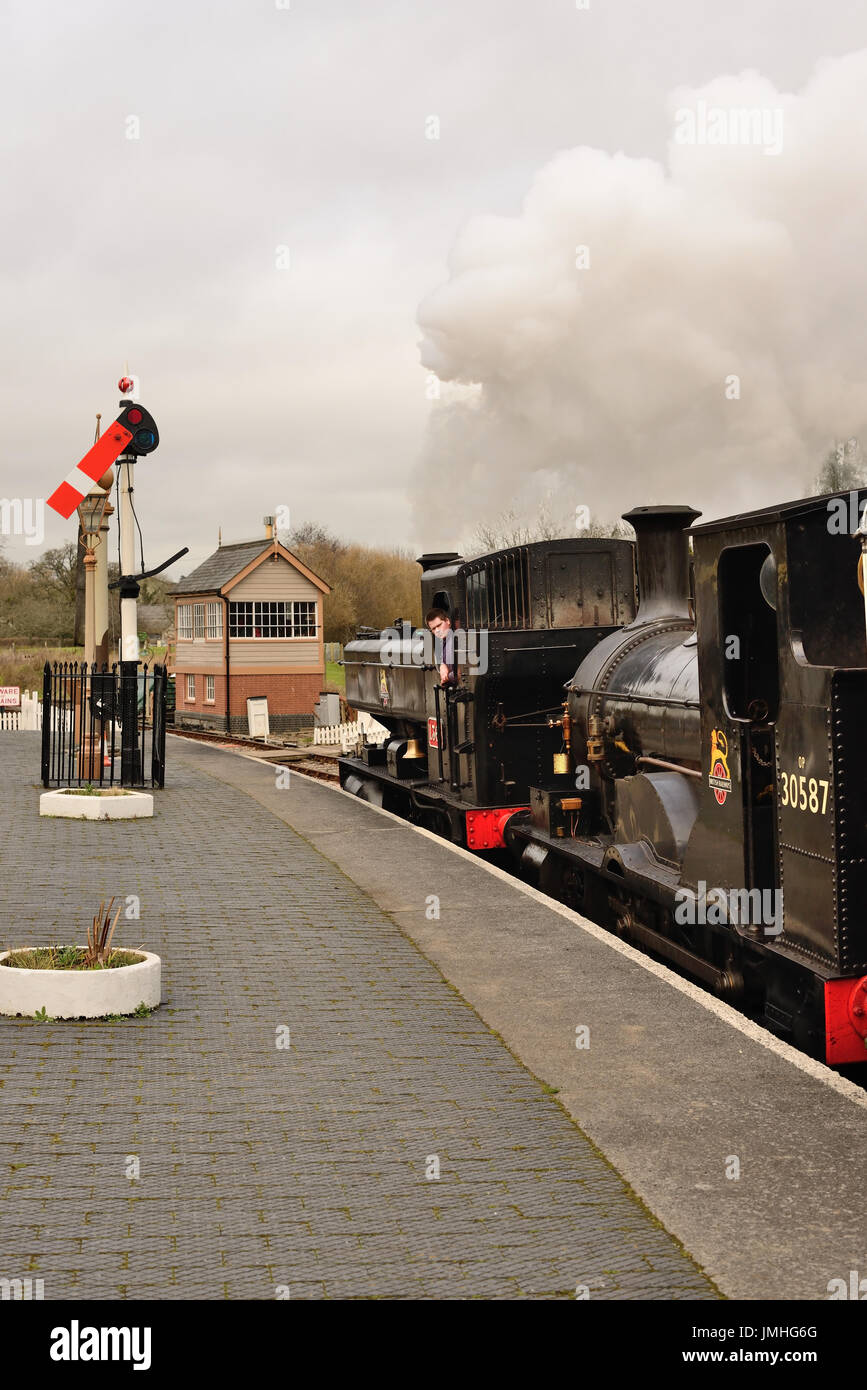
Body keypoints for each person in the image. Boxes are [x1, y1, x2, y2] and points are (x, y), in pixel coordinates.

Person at [426, 607, 456, 685]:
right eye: (433, 629)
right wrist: (442, 665)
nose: (437, 631)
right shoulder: (444, 641)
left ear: (447, 621)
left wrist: (445, 678)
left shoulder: (457, 639)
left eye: (439, 625)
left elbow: (460, 673)